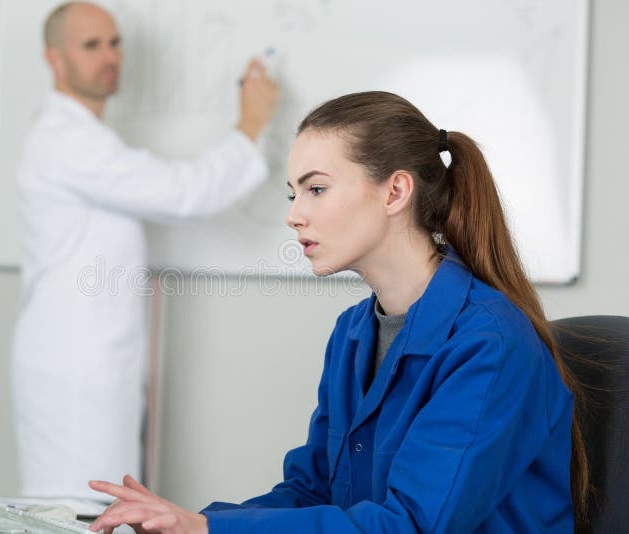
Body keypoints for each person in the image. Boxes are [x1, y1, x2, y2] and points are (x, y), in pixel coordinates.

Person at [87, 91, 590, 532]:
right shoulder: (353, 333)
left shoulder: (490, 344)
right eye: (294, 194)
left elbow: (411, 526)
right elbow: (311, 491)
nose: (294, 215)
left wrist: (207, 531)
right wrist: (186, 524)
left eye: (316, 189)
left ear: (395, 192)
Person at [10, 1, 278, 502]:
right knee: (77, 513)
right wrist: (250, 125)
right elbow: (182, 193)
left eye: (115, 43)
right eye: (91, 45)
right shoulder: (66, 142)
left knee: (101, 508)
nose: (110, 56)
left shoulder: (86, 138)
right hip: (75, 373)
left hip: (93, 364)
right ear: (54, 59)